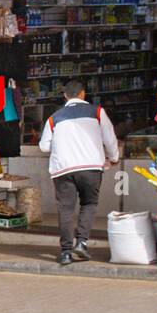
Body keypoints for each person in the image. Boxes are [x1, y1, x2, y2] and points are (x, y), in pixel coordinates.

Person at [39, 80, 120, 266]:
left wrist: (61, 143)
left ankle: (66, 252)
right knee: (89, 203)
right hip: (91, 167)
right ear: (83, 94)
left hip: (63, 169)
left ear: (65, 96)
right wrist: (114, 158)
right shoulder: (97, 112)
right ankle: (82, 242)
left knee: (66, 209)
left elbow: (44, 146)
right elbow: (110, 138)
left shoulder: (54, 117)